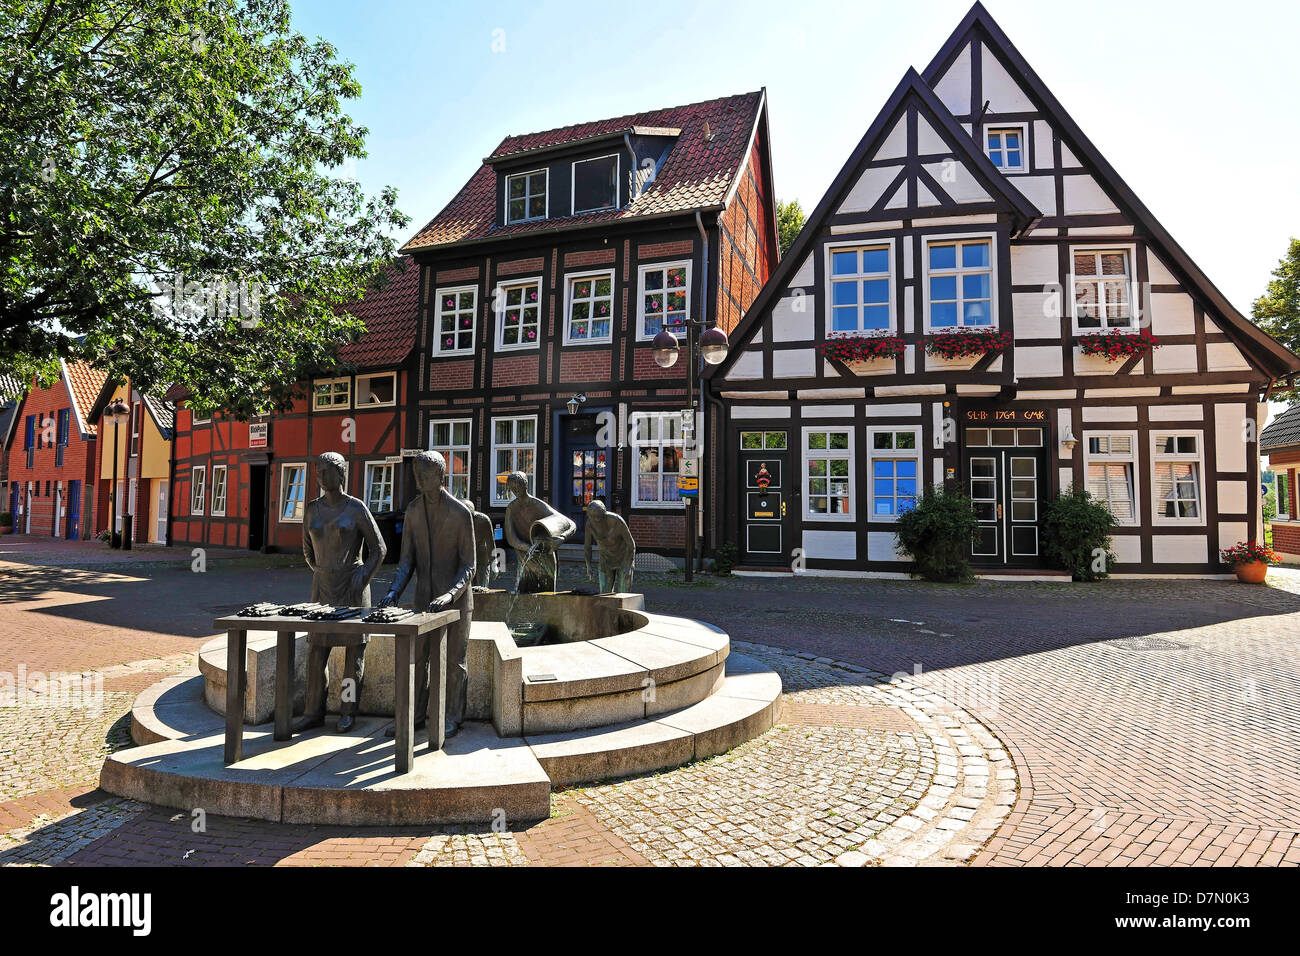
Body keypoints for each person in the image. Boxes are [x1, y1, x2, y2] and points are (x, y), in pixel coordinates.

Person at [378, 451, 475, 738]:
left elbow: (470, 565)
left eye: (425, 474)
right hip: (422, 601)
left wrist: (450, 595)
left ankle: (452, 717)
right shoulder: (413, 511)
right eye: (416, 474)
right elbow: (406, 560)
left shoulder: (460, 513)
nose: (419, 479)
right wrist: (395, 590)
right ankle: (414, 715)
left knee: (453, 662)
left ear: (441, 476)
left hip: (455, 603)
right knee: (417, 659)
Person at [295, 452, 385, 734]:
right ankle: (313, 711)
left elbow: (379, 549)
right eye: (318, 472)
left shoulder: (356, 508)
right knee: (316, 652)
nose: (321, 477)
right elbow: (307, 552)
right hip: (322, 587)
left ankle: (348, 711)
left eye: (327, 471)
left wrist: (361, 575)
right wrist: (323, 572)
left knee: (352, 655)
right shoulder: (311, 509)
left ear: (341, 473)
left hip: (353, 588)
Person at [502, 471, 575, 592]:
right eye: (512, 488)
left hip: (543, 554)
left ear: (525, 484)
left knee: (547, 591)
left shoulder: (537, 505)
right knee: (524, 590)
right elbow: (511, 538)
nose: (515, 490)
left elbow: (570, 524)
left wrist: (562, 538)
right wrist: (526, 548)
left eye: (517, 486)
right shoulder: (511, 508)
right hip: (524, 555)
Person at [583, 499, 635, 594]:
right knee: (604, 594)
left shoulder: (617, 521)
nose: (596, 520)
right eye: (593, 517)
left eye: (599, 516)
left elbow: (631, 545)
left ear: (604, 513)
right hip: (605, 560)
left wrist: (628, 565)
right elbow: (587, 547)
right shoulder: (590, 524)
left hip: (623, 558)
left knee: (623, 595)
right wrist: (588, 566)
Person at [464, 497, 496, 590]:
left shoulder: (483, 520)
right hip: (466, 556)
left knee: (481, 587)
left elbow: (491, 543)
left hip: (482, 554)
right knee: (467, 586)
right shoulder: (457, 520)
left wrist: (494, 563)